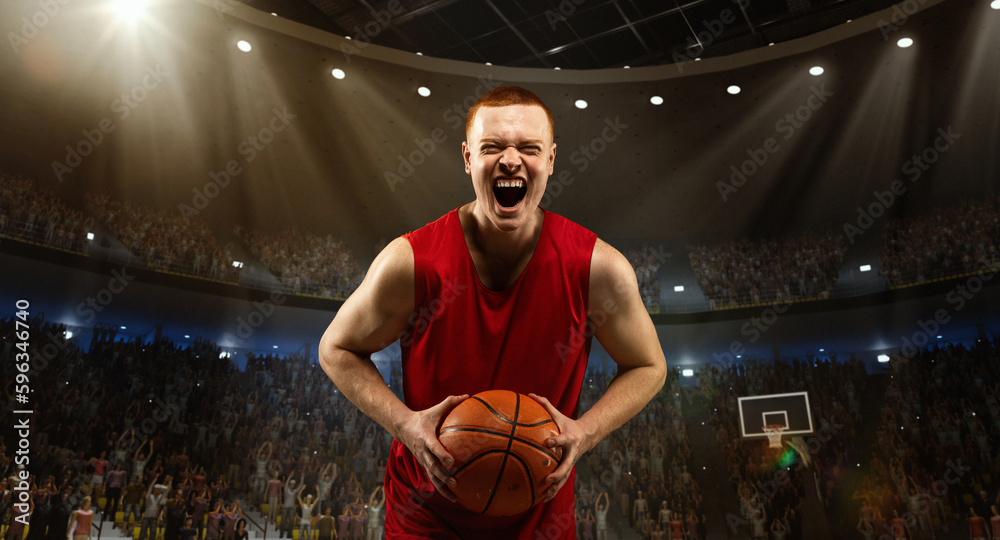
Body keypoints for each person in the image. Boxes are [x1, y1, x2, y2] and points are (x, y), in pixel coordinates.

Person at [318, 85, 666, 539]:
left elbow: (650, 365)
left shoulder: (597, 269)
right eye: (493, 147)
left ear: (552, 160)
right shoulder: (412, 260)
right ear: (467, 158)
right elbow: (335, 348)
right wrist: (405, 425)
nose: (510, 160)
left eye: (528, 148)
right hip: (426, 513)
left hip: (540, 515)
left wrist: (585, 433)